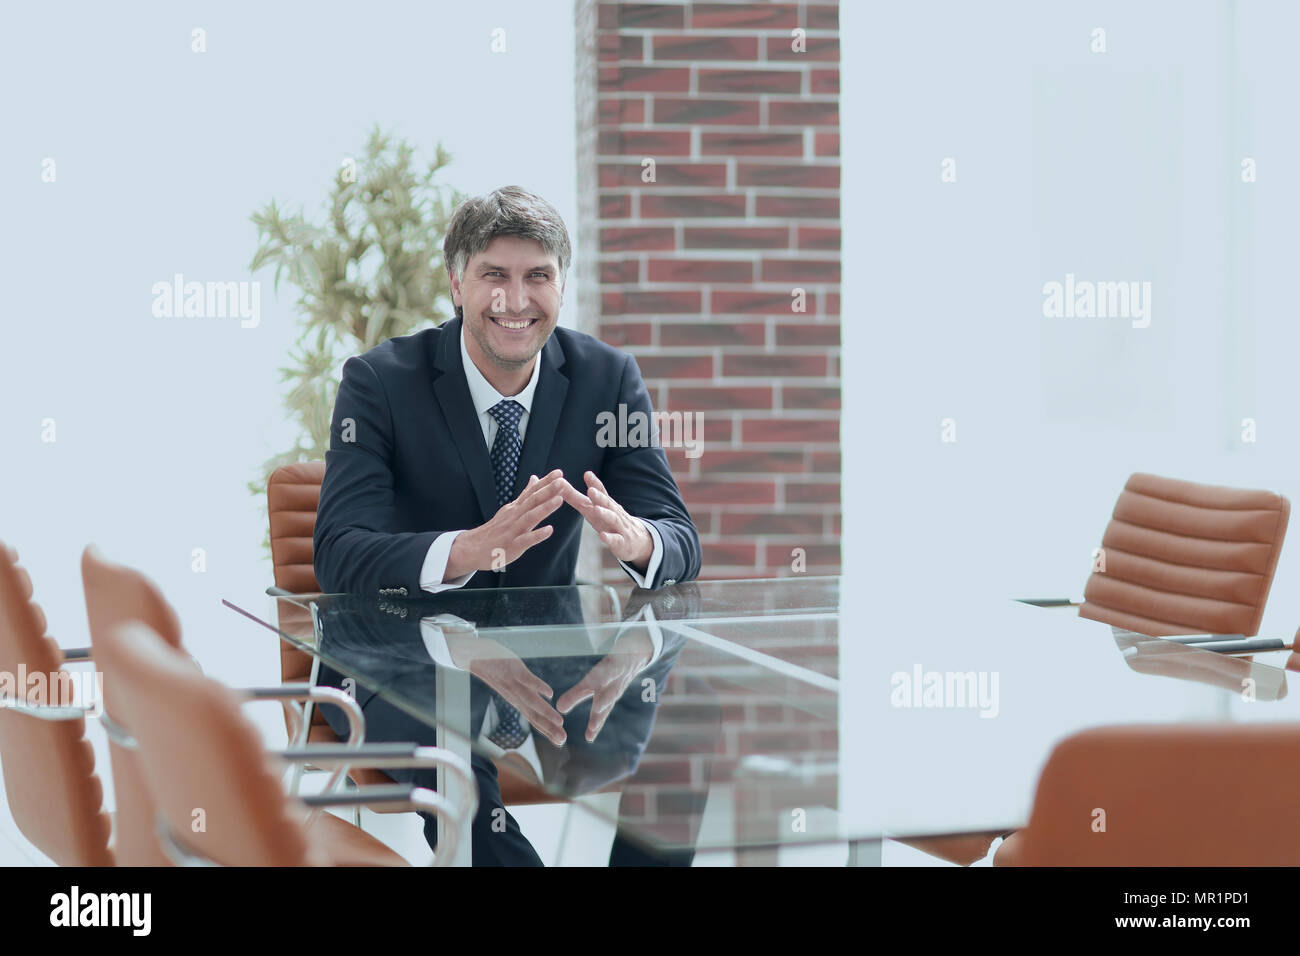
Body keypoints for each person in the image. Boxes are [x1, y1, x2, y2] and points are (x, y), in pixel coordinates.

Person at [312, 184, 702, 864]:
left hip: (551, 661)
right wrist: (466, 550)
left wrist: (638, 539)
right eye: (494, 275)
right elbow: (339, 554)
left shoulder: (605, 379)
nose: (515, 301)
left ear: (560, 285)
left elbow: (678, 538)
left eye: (537, 277)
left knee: (691, 711)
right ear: (457, 282)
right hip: (401, 665)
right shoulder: (380, 383)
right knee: (451, 742)